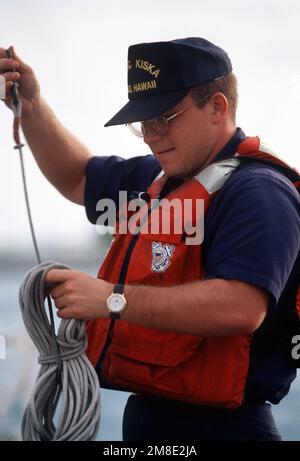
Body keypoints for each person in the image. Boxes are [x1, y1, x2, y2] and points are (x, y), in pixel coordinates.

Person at [1, 37, 300, 442]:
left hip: (227, 428)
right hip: (150, 419)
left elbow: (241, 307)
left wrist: (110, 298)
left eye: (165, 118)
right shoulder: (158, 180)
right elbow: (77, 177)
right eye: (143, 123)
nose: (150, 135)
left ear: (216, 107)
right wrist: (32, 108)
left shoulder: (260, 192)